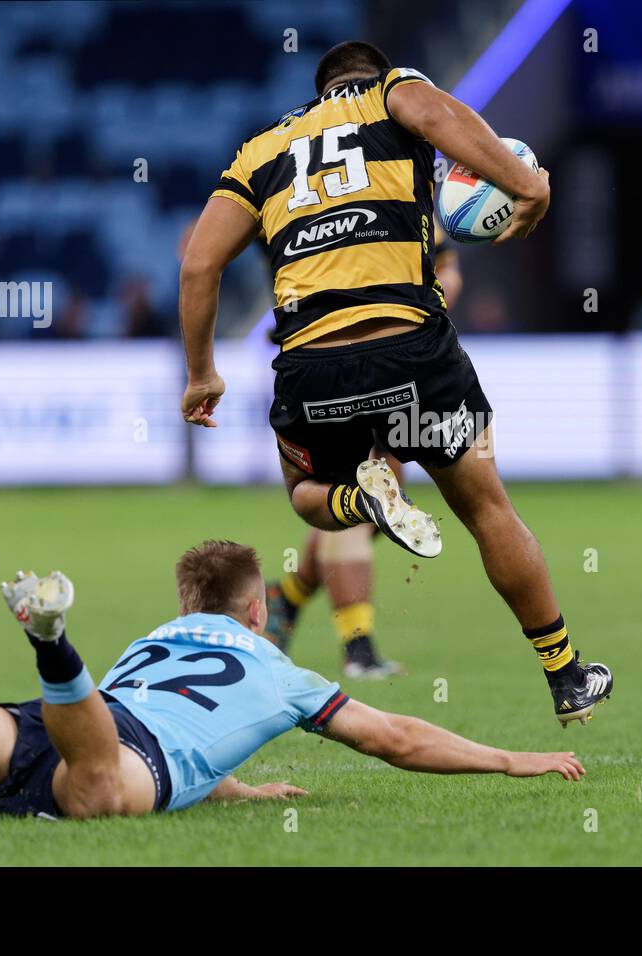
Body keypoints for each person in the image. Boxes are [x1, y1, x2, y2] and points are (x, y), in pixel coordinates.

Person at [178, 41, 612, 724]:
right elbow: (430, 110)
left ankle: (358, 502)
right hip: (412, 348)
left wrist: (202, 371)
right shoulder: (394, 94)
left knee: (306, 496)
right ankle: (565, 675)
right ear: (371, 78)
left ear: (319, 91)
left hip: (311, 361)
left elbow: (199, 266)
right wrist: (527, 184)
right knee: (486, 508)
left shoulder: (260, 151)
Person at [0, 494, 586, 819]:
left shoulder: (157, 638)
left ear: (186, 604)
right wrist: (512, 759)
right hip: (109, 749)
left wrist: (230, 788)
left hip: (77, 720)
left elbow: (178, 716)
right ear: (257, 609)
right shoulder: (285, 674)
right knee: (95, 795)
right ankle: (48, 638)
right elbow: (398, 739)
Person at [264, 221, 463, 679]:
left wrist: (432, 300)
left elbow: (449, 270)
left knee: (378, 500)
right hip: (333, 363)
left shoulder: (406, 201)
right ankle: (358, 648)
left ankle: (291, 596)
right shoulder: (316, 200)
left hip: (400, 357)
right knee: (364, 496)